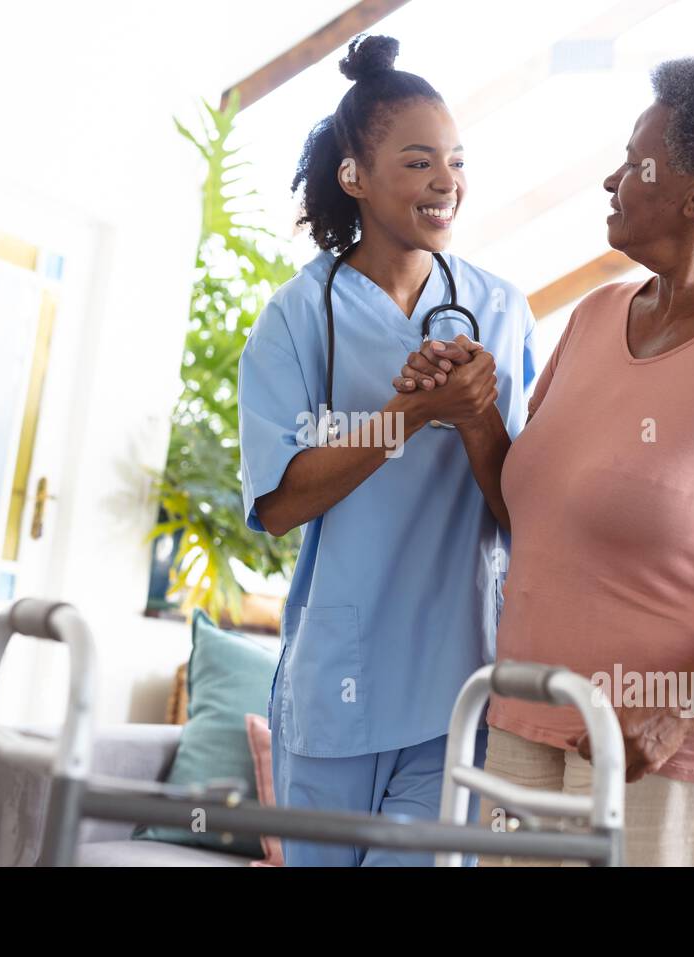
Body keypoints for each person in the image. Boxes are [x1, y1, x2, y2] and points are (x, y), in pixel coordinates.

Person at [393, 56, 694, 866]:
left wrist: (683, 705)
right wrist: (475, 414)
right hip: (526, 720)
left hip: (664, 756)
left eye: (637, 162)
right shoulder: (595, 316)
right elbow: (537, 522)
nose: (613, 179)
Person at [237, 34, 537, 865]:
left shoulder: (501, 312)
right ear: (354, 178)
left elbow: (530, 513)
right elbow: (279, 501)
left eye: (456, 161)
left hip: (458, 684)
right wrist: (406, 414)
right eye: (418, 162)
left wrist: (477, 417)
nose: (447, 181)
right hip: (338, 678)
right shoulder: (295, 318)